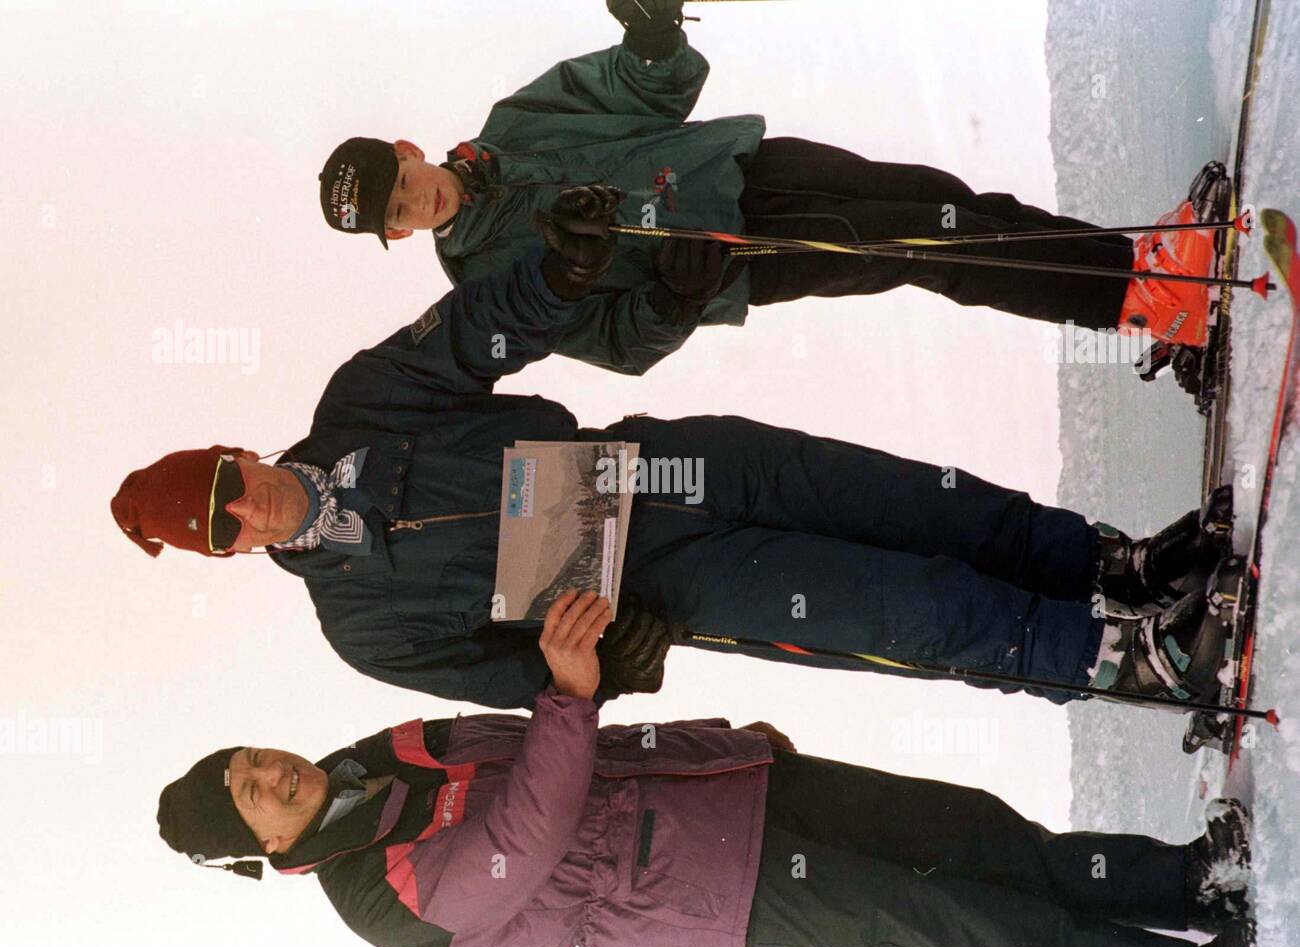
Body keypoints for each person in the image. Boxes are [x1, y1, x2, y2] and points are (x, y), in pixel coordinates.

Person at [113, 185, 1238, 718]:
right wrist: (614, 664)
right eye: (225, 525)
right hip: (662, 583)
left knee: (913, 500)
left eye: (226, 483)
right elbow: (508, 680)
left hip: (659, 465)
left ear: (232, 450)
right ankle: (1122, 658)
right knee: (900, 606)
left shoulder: (357, 406)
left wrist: (554, 275)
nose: (247, 506)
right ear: (227, 553)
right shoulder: (356, 625)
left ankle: (1114, 567)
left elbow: (472, 338)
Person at [156, 591, 1256, 947]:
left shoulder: (384, 750)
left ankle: (1188, 885)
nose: (271, 773)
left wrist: (717, 741)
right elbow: (526, 840)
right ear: (259, 847)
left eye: (251, 758)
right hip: (719, 900)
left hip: (735, 791)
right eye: (251, 793)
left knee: (973, 834)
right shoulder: (373, 898)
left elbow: (586, 746)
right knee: (962, 928)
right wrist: (572, 689)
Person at [317, 0, 1216, 386]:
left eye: (402, 184)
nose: (416, 203)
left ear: (407, 150)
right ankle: (1148, 301)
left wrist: (656, 36)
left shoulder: (513, 126)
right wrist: (674, 292)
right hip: (729, 255)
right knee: (934, 250)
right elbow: (616, 345)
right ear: (396, 239)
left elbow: (644, 91)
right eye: (397, 216)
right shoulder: (485, 290)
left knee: (948, 203)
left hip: (743, 163)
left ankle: (1138, 267)